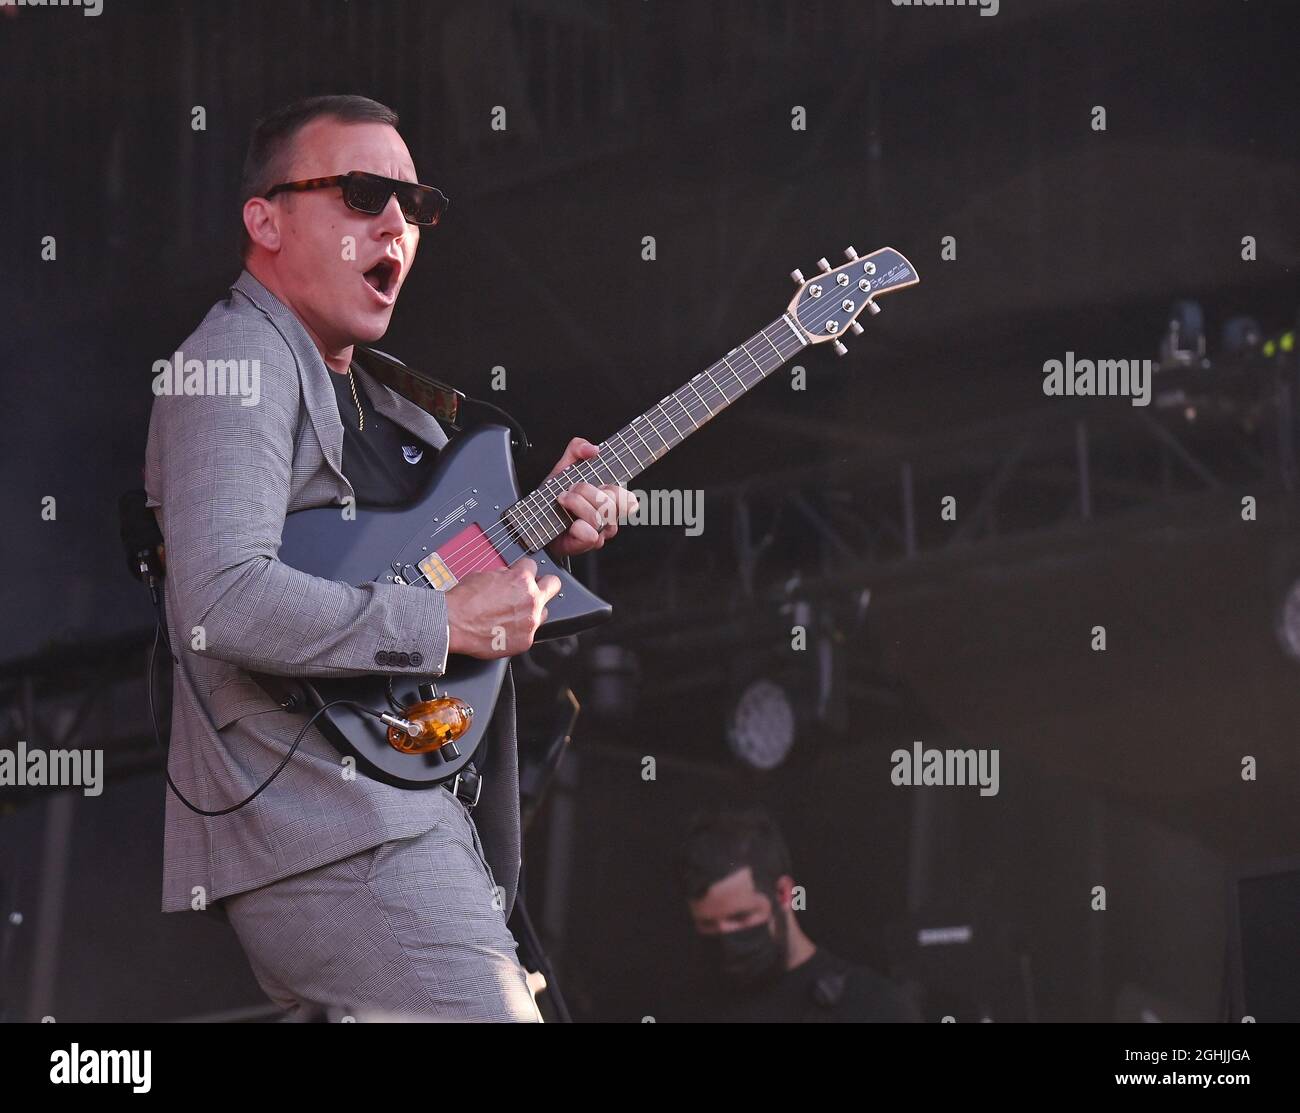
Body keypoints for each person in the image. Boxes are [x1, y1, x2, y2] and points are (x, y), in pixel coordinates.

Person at [144, 94, 635, 1021]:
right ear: (266, 218)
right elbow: (222, 597)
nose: (397, 224)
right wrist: (443, 620)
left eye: (416, 206)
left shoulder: (395, 405)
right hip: (336, 832)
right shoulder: (239, 360)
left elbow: (416, 563)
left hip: (404, 812)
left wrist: (541, 529)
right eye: (365, 193)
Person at [674, 808, 920, 1022]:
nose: (727, 938)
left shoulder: (870, 1004)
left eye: (741, 918)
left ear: (783, 894)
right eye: (708, 925)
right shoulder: (693, 1006)